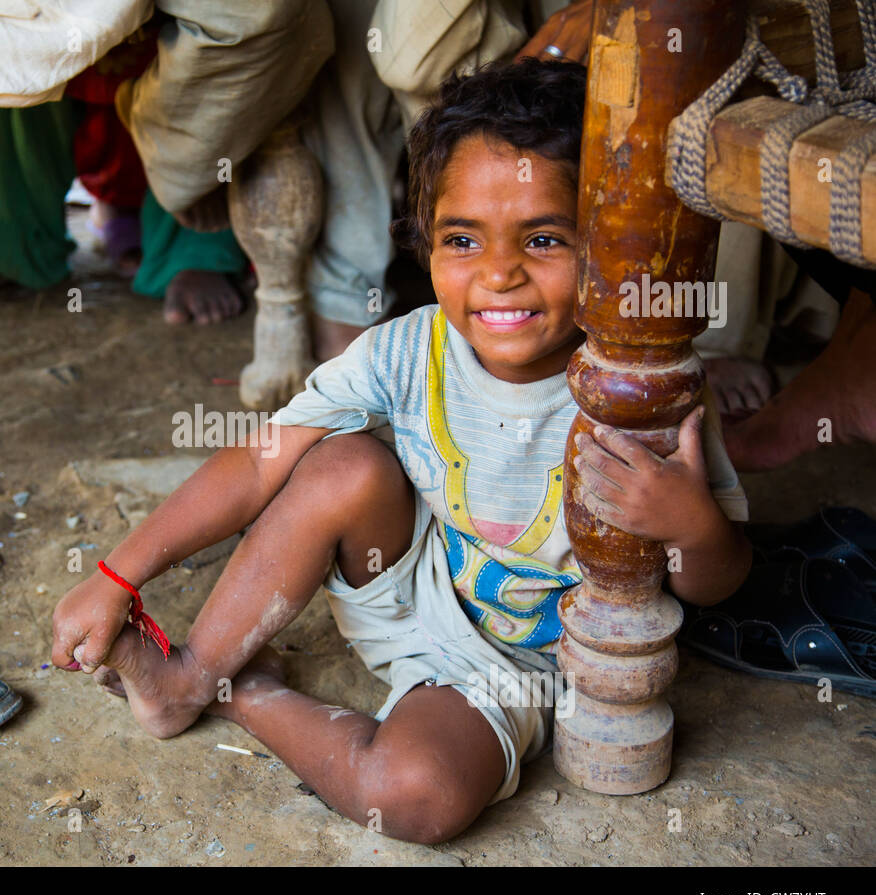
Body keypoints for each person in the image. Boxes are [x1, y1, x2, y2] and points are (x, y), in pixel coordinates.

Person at [50, 59, 753, 844]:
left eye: (545, 238)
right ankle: (186, 677)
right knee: (340, 464)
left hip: (521, 666)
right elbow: (259, 461)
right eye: (462, 239)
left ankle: (245, 693)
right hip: (405, 585)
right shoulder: (406, 350)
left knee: (417, 795)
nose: (499, 274)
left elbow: (716, 585)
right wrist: (119, 572)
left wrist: (690, 526)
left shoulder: (646, 388)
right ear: (425, 244)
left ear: (607, 252)